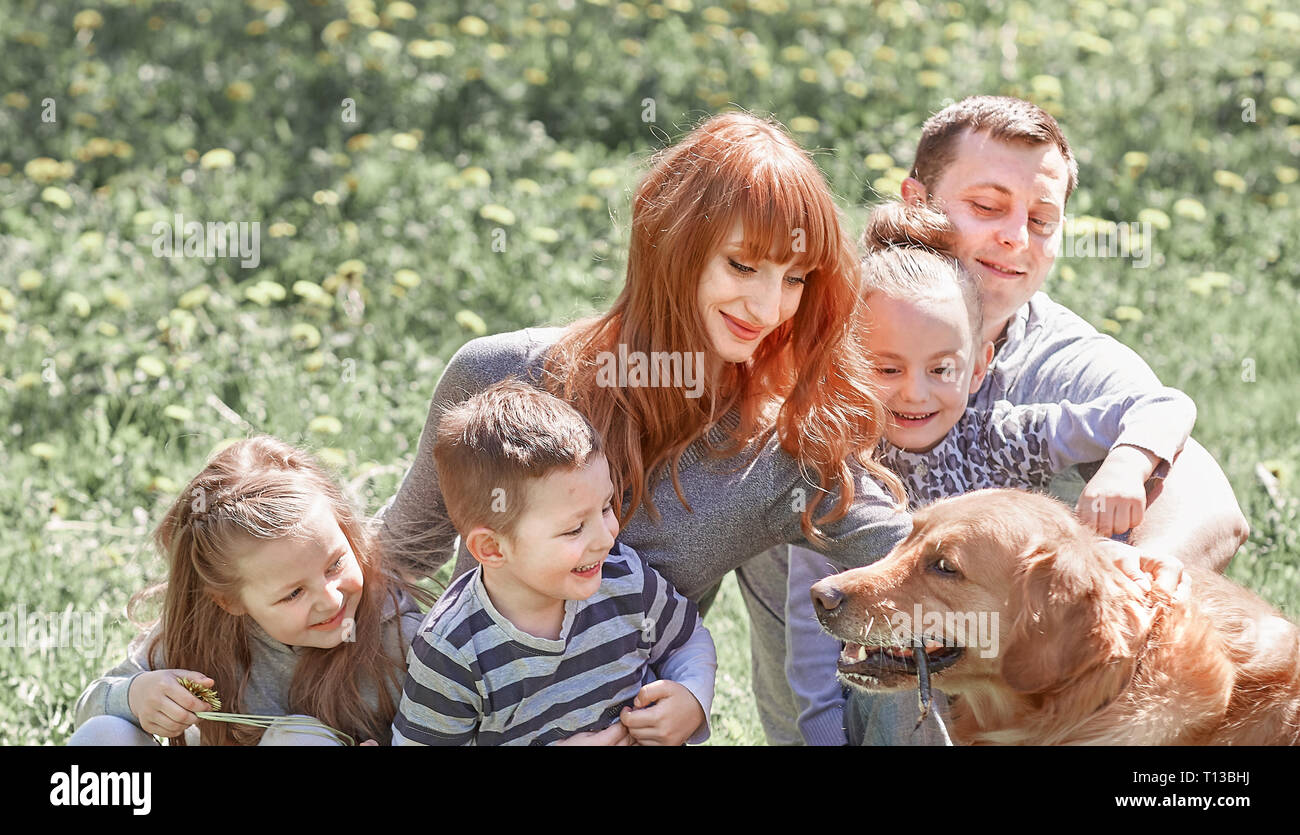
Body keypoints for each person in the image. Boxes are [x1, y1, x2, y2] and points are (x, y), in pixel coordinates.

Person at [376, 111, 916, 745]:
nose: (770, 307)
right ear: (673, 245)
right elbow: (393, 562)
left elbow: (915, 560)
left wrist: (693, 694)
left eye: (794, 278)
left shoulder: (774, 456)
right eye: (743, 266)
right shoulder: (500, 373)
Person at [785, 95, 1247, 745]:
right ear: (917, 201)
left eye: (1041, 218)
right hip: (839, 670)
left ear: (977, 368)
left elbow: (1210, 499)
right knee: (782, 471)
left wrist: (1098, 588)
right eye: (986, 206)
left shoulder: (1052, 378)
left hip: (971, 672)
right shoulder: (813, 330)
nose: (1015, 237)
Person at [392, 379, 716, 745]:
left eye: (606, 507)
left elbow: (686, 640)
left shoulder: (625, 578)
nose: (606, 538)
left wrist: (693, 698)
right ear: (492, 548)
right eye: (574, 529)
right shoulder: (452, 651)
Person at [70, 436, 426, 746]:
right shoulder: (201, 640)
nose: (331, 598)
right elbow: (88, 711)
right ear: (229, 601)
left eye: (335, 565)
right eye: (293, 594)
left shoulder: (399, 641)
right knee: (104, 733)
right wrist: (135, 696)